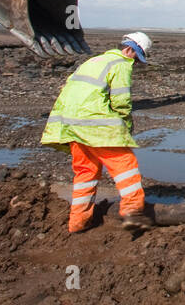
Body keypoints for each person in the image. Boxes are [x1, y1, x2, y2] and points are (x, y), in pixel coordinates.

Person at [41, 32, 154, 232]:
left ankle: (78, 222)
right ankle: (133, 213)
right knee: (125, 166)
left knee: (86, 173)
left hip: (70, 126)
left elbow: (68, 91)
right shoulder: (120, 64)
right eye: (137, 59)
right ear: (131, 51)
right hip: (96, 125)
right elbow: (121, 101)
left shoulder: (93, 62)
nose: (135, 64)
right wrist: (125, 127)